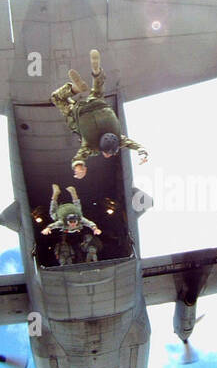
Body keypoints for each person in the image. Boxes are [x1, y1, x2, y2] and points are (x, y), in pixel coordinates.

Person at [50, 49, 148, 178]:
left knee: (98, 89)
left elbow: (132, 144)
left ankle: (96, 74)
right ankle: (74, 88)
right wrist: (79, 167)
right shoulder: (91, 146)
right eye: (109, 153)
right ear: (103, 149)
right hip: (79, 112)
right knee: (56, 98)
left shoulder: (118, 139)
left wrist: (142, 152)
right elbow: (79, 157)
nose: (110, 155)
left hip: (98, 104)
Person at [40, 183, 101, 264]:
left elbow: (89, 223)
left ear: (76, 221)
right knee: (57, 214)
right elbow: (54, 225)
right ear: (67, 221)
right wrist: (48, 228)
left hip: (71, 213)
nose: (72, 224)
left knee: (73, 212)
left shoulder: (79, 220)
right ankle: (59, 193)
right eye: (71, 222)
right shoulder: (62, 222)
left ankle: (64, 193)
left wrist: (95, 228)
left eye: (74, 222)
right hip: (65, 212)